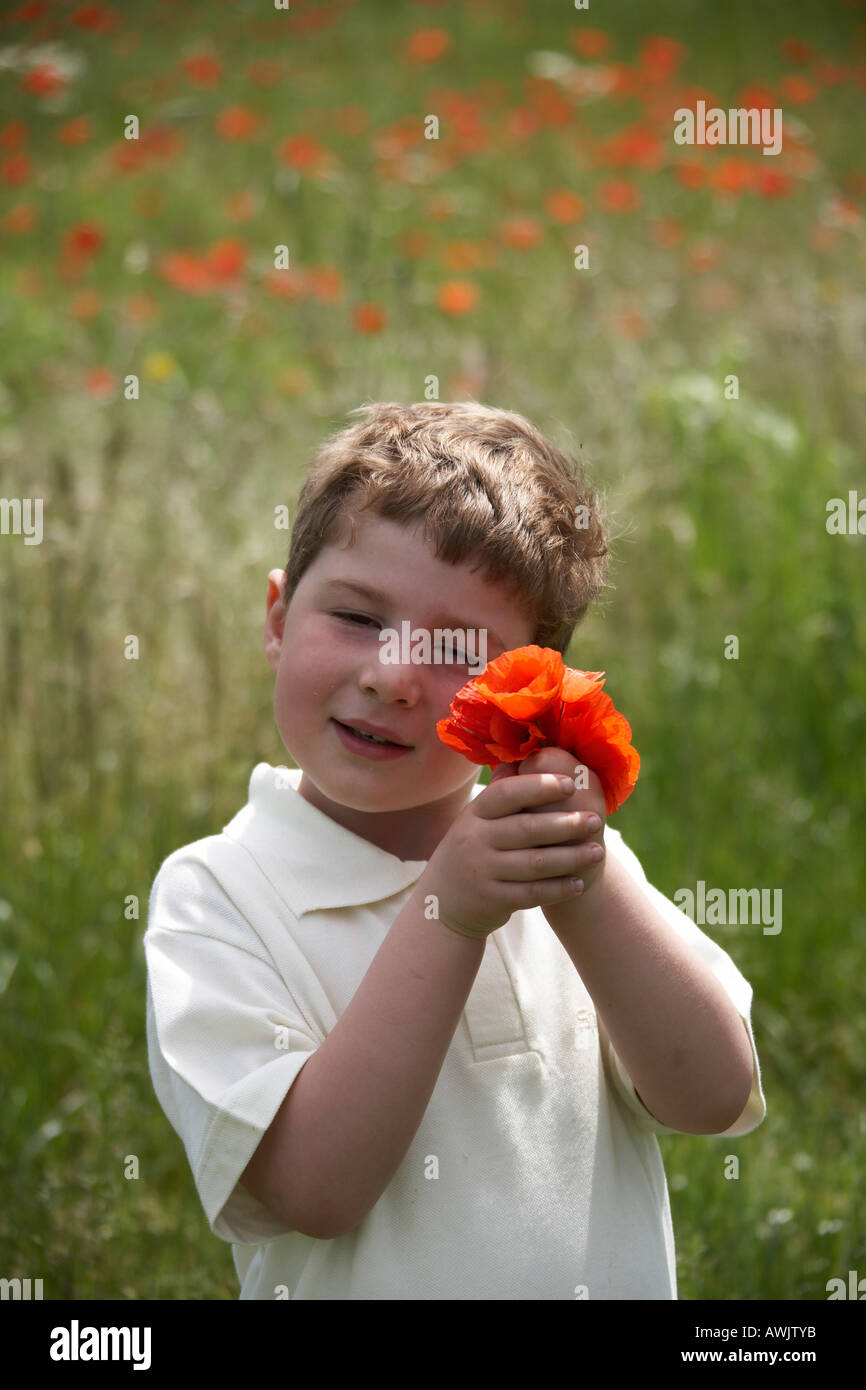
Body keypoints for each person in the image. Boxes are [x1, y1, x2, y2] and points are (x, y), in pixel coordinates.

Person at [144, 400, 765, 1300]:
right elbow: (313, 1187)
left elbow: (711, 1097)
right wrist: (448, 911)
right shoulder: (217, 895)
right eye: (356, 617)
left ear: (534, 686)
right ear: (277, 619)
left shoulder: (572, 873)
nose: (391, 676)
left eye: (456, 649)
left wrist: (585, 890)